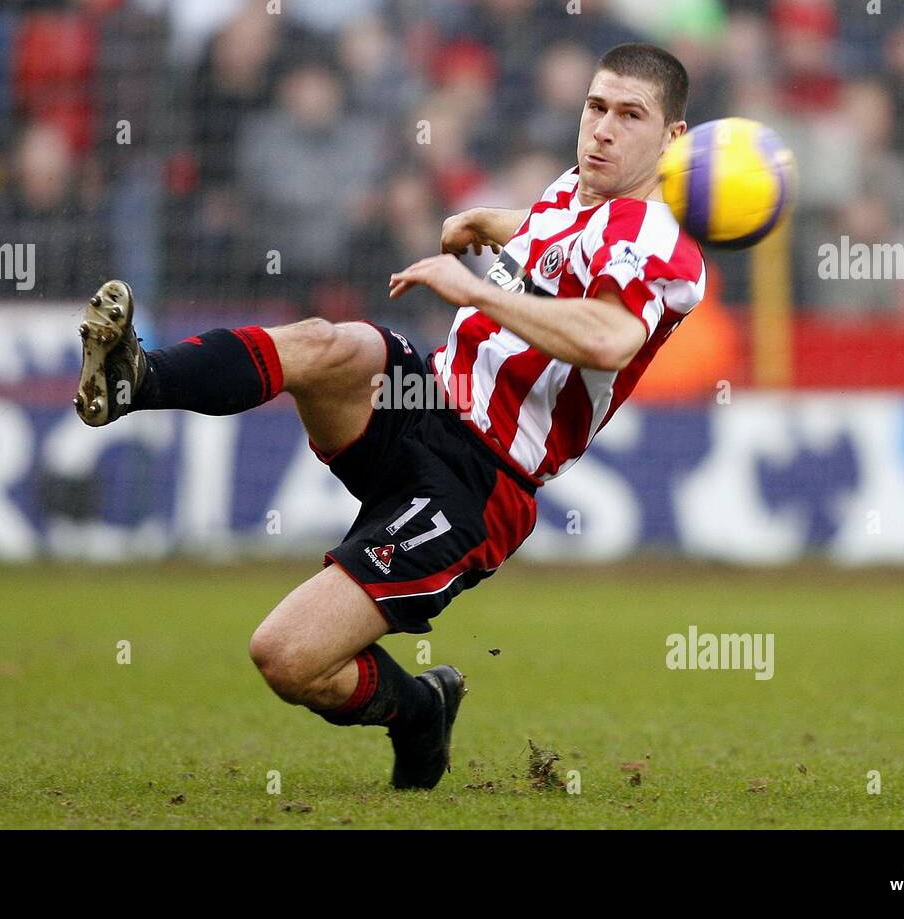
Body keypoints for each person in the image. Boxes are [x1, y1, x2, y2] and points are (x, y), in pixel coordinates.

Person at [72, 43, 707, 790]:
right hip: (422, 399)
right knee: (322, 343)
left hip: (478, 480)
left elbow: (607, 339)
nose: (602, 128)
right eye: (596, 106)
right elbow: (559, 233)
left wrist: (475, 291)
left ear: (672, 139)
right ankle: (136, 380)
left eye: (630, 115)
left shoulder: (662, 243)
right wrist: (489, 222)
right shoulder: (579, 190)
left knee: (286, 656)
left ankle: (418, 710)